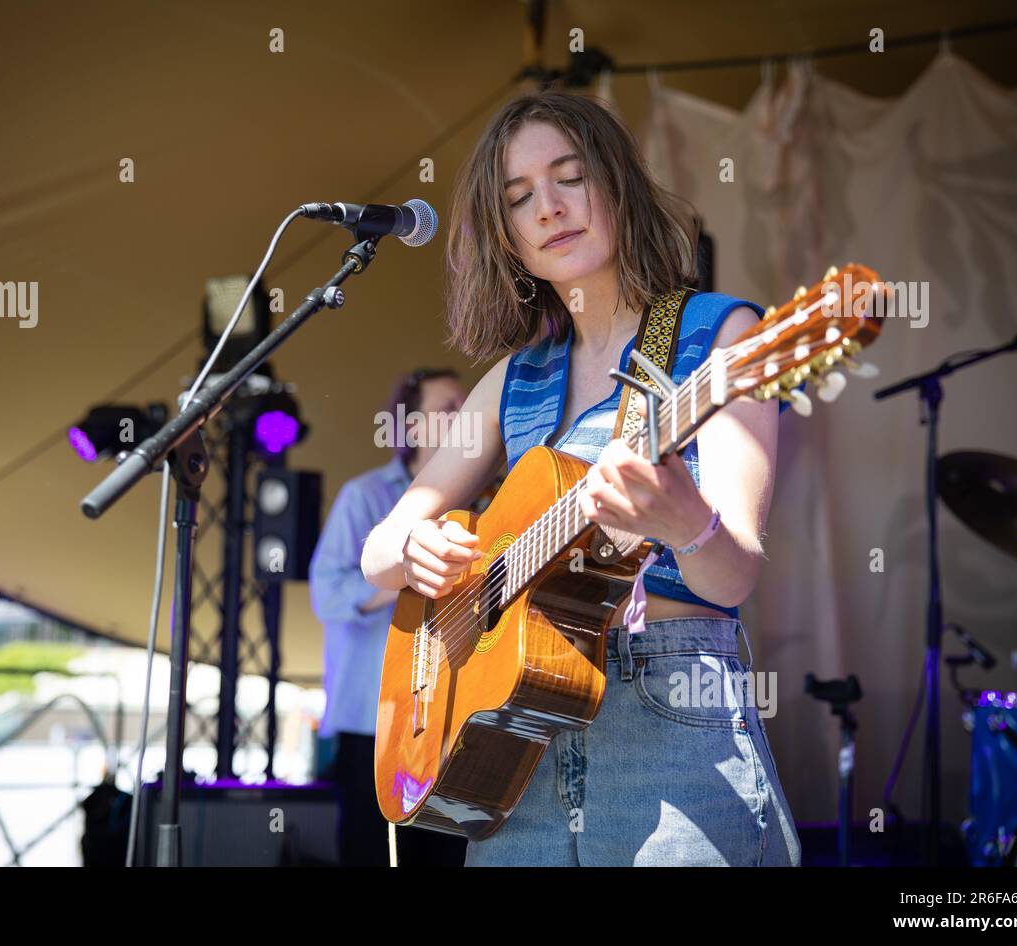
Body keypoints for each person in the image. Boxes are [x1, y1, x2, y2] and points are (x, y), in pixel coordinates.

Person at [359, 91, 801, 866]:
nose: (548, 209)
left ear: (617, 187)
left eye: (569, 177)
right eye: (519, 197)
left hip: (671, 725)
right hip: (514, 751)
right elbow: (380, 548)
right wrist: (410, 552)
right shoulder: (511, 381)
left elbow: (732, 577)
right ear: (507, 237)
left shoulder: (722, 338)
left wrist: (682, 522)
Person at [309, 368, 470, 867]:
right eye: (448, 411)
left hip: (452, 721)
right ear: (413, 428)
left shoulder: (484, 502)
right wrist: (401, 571)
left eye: (466, 409)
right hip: (371, 721)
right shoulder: (366, 496)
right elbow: (328, 594)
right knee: (371, 853)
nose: (464, 420)